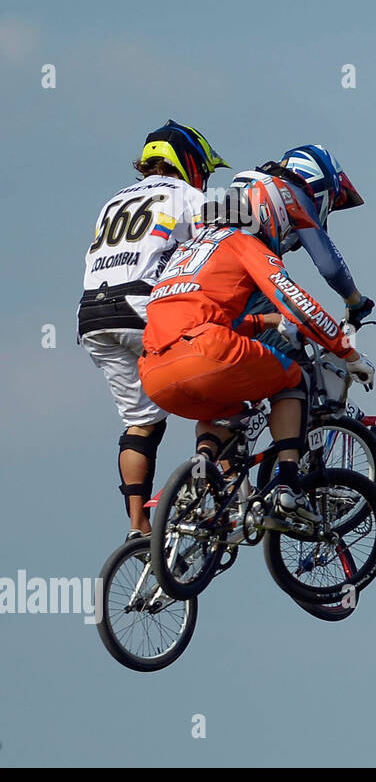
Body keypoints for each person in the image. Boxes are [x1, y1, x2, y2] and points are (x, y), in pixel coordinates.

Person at [137, 175, 376, 519]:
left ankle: (201, 469)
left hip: (155, 371)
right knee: (293, 379)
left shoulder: (186, 251)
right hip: (203, 354)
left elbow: (209, 315)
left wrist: (262, 323)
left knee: (221, 406)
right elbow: (295, 302)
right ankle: (288, 485)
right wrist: (347, 352)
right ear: (273, 212)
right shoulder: (242, 241)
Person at [78, 120, 229, 541]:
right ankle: (208, 483)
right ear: (192, 162)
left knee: (141, 422)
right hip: (145, 306)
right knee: (218, 395)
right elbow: (215, 256)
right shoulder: (189, 196)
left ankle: (137, 528)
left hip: (94, 316)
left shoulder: (113, 201)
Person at [229, 145, 376, 359]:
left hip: (204, 282)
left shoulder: (248, 185)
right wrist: (355, 302)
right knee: (298, 371)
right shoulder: (292, 192)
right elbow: (330, 267)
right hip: (247, 285)